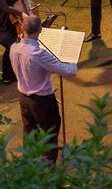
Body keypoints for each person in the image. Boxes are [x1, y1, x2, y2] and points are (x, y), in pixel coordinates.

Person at [9, 14, 78, 163]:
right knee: (50, 134)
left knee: (29, 132)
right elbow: (69, 71)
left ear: (23, 28)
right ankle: (48, 171)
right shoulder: (38, 54)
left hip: (24, 98)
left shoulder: (13, 48)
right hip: (42, 101)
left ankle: (28, 166)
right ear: (40, 30)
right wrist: (72, 58)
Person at [0, 0, 30, 86]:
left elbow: (21, 4)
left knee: (22, 45)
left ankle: (19, 71)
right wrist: (21, 13)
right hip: (2, 29)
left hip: (16, 26)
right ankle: (7, 76)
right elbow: (5, 8)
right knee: (12, 47)